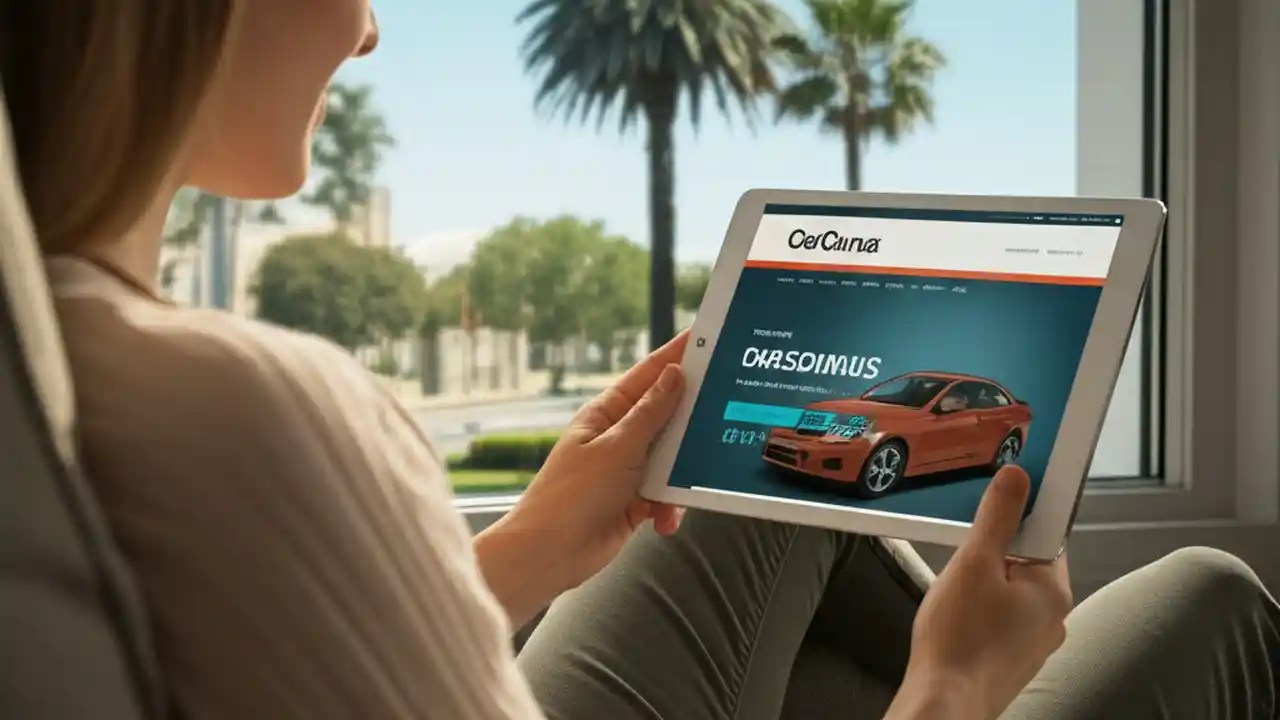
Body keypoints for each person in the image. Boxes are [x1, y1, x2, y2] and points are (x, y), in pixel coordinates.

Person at [3, 2, 1277, 718]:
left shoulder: (76, 360)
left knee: (732, 485)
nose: (370, 28)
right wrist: (952, 686)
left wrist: (523, 550)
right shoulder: (251, 411)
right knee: (1208, 596)